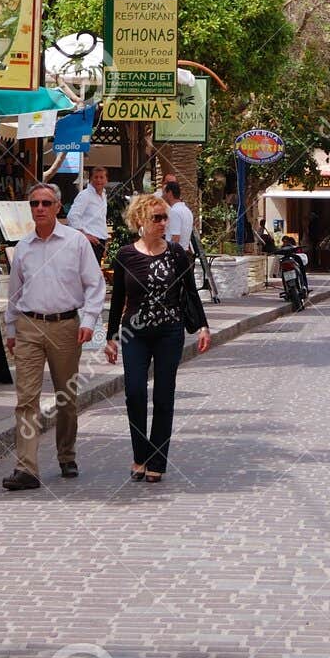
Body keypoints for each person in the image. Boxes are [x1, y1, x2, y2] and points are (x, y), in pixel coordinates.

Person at [2, 182, 106, 491]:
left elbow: (94, 284)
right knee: (26, 399)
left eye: (46, 203)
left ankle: (66, 454)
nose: (40, 208)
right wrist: (11, 329)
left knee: (66, 397)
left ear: (58, 207)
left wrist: (88, 321)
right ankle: (26, 468)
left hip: (65, 326)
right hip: (29, 326)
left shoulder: (76, 242)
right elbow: (14, 292)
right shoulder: (23, 247)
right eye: (34, 203)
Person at [104, 193, 211, 482]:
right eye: (158, 218)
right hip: (134, 335)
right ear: (141, 220)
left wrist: (202, 326)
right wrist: (111, 337)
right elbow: (118, 301)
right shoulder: (125, 255)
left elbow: (190, 293)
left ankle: (157, 462)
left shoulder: (177, 254)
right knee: (135, 393)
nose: (164, 222)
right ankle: (140, 455)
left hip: (169, 333)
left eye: (166, 217)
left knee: (164, 397)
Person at [65, 166, 111, 262]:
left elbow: (100, 220)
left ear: (106, 180)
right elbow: (72, 216)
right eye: (96, 177)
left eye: (101, 177)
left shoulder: (103, 195)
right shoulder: (85, 195)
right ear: (91, 179)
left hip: (99, 242)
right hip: (88, 242)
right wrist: (85, 235)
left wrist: (104, 242)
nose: (98, 180)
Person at [161, 179, 194, 252]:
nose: (162, 196)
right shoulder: (187, 210)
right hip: (184, 252)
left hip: (176, 254)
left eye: (164, 193)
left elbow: (175, 237)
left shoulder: (174, 212)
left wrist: (169, 254)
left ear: (169, 193)